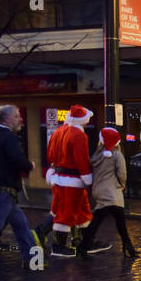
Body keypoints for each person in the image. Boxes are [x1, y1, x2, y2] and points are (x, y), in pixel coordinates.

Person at [0, 104, 45, 268]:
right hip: (4, 188)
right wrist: (30, 165)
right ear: (6, 119)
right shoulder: (8, 136)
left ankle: (34, 261)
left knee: (21, 224)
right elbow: (17, 159)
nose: (20, 119)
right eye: (16, 116)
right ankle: (33, 260)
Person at [43, 104, 96, 258]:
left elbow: (50, 153)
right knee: (67, 213)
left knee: (81, 211)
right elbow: (82, 160)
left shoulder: (59, 131)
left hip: (58, 178)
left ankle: (88, 242)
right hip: (72, 180)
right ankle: (58, 246)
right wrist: (88, 179)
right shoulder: (79, 135)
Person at [77, 126, 136, 259]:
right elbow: (122, 174)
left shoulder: (96, 156)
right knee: (118, 221)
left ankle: (84, 246)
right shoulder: (117, 155)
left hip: (99, 191)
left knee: (99, 220)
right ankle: (127, 247)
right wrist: (122, 185)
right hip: (112, 192)